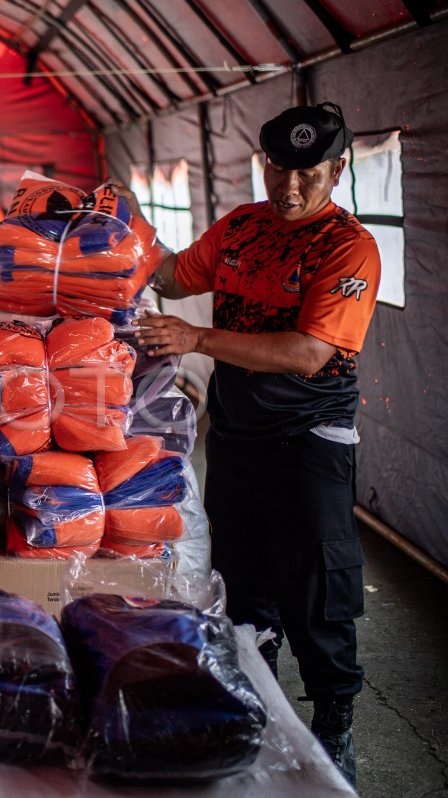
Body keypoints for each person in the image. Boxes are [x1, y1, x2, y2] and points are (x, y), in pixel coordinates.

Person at [116, 102, 380, 787]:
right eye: (279, 170)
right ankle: (255, 703)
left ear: (337, 171)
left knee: (317, 587)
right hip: (237, 435)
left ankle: (334, 721)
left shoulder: (347, 246)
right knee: (240, 580)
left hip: (308, 438)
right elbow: (171, 276)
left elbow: (308, 353)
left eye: (309, 175)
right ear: (264, 164)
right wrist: (124, 223)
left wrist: (196, 338)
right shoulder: (242, 228)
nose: (290, 188)